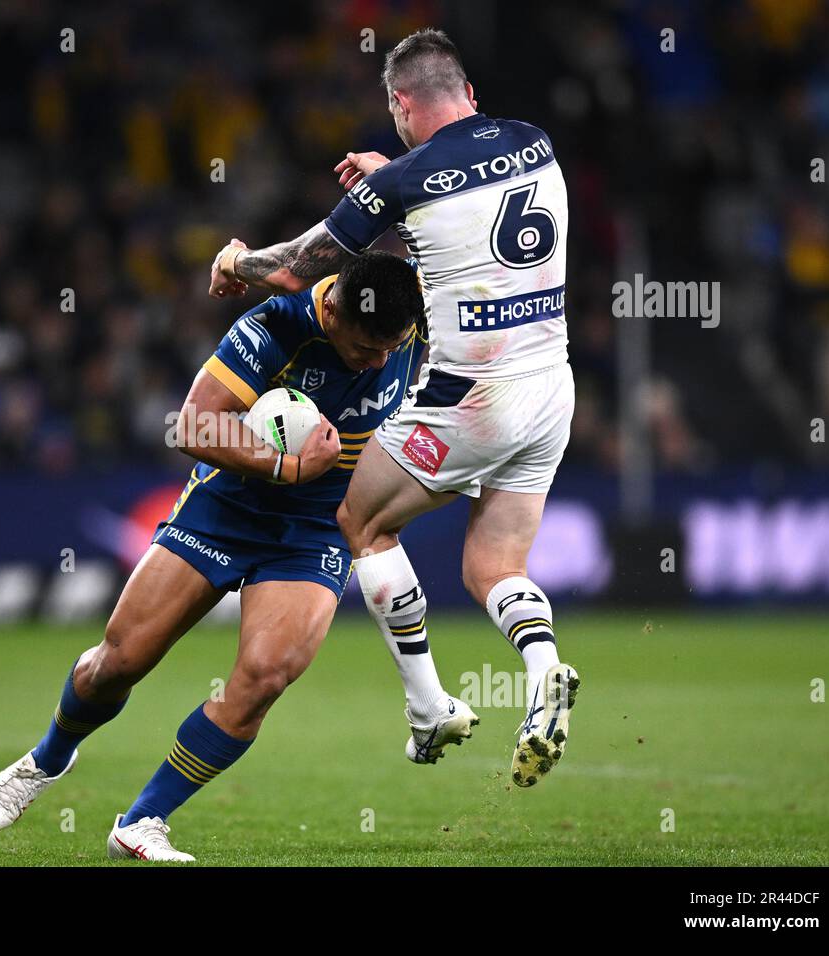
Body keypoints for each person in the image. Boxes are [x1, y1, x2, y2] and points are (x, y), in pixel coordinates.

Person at [0, 250, 449, 861]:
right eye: (363, 349)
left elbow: (432, 221)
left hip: (318, 526)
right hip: (228, 509)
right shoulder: (279, 325)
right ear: (333, 311)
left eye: (392, 348)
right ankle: (45, 759)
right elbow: (193, 427)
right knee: (119, 661)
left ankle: (141, 822)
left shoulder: (415, 310)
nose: (380, 362)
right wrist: (288, 465)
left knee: (266, 676)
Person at [208, 28, 579, 787]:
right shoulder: (535, 142)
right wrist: (400, 181)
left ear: (399, 105)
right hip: (553, 390)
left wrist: (234, 261)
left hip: (470, 392)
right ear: (469, 94)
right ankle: (544, 670)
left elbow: (295, 272)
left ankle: (428, 706)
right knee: (495, 565)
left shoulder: (399, 181)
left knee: (360, 522)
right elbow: (464, 217)